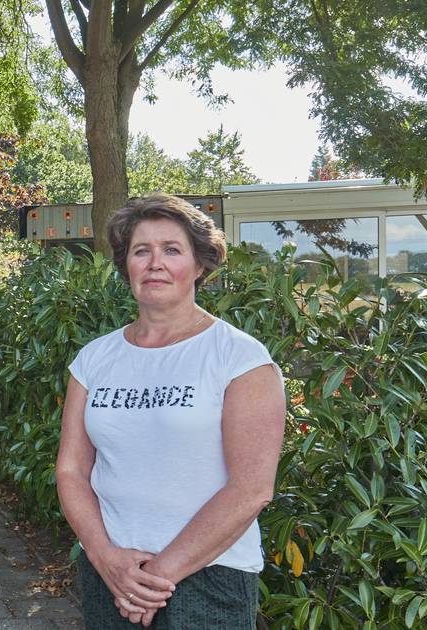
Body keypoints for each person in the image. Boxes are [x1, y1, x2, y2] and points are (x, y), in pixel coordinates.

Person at [55, 193, 286, 628]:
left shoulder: (239, 359)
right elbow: (71, 470)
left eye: (172, 250)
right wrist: (106, 558)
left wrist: (156, 579)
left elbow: (251, 489)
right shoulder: (94, 360)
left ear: (200, 265)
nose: (154, 262)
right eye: (141, 251)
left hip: (209, 577)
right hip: (111, 571)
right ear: (127, 266)